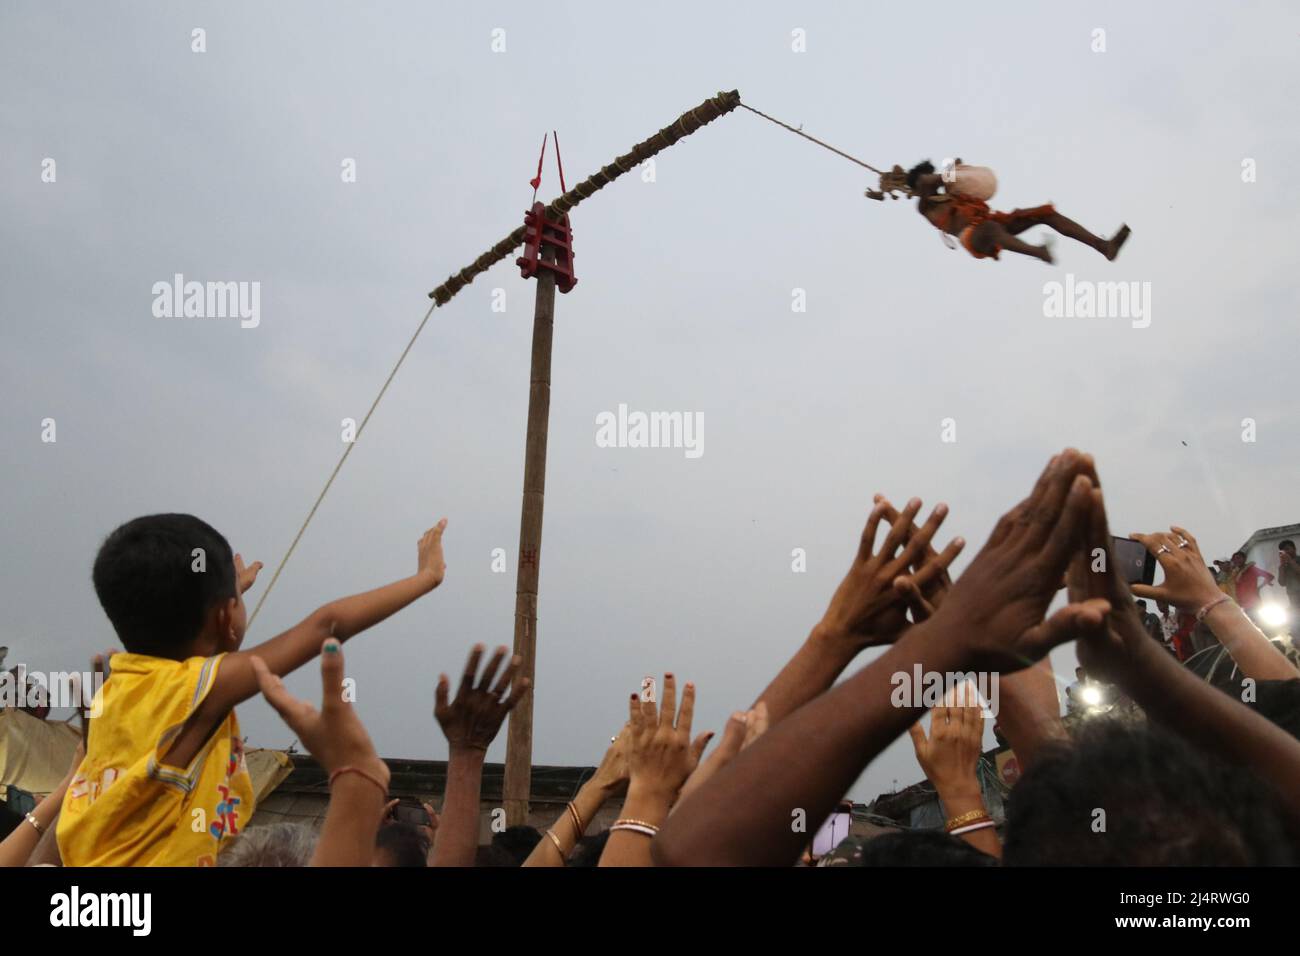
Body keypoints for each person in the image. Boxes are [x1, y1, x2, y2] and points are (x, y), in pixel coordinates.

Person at [58, 512, 447, 866]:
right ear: (225, 616)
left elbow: (200, 658)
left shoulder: (116, 687)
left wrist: (223, 607)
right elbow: (324, 625)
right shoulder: (193, 691)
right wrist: (424, 578)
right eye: (238, 600)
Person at [904, 160, 1130, 264]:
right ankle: (1038, 252)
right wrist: (935, 176)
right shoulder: (925, 205)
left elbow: (956, 178)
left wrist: (957, 171)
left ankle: (1103, 247)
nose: (933, 181)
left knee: (1044, 214)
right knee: (991, 229)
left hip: (990, 222)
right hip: (972, 237)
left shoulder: (949, 193)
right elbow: (926, 181)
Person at [1278, 540, 1300, 609]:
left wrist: (1290, 561)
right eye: (1283, 551)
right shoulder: (1284, 565)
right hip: (1293, 597)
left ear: (1294, 549)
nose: (1286, 552)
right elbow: (1282, 583)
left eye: (1287, 549)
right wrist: (1282, 566)